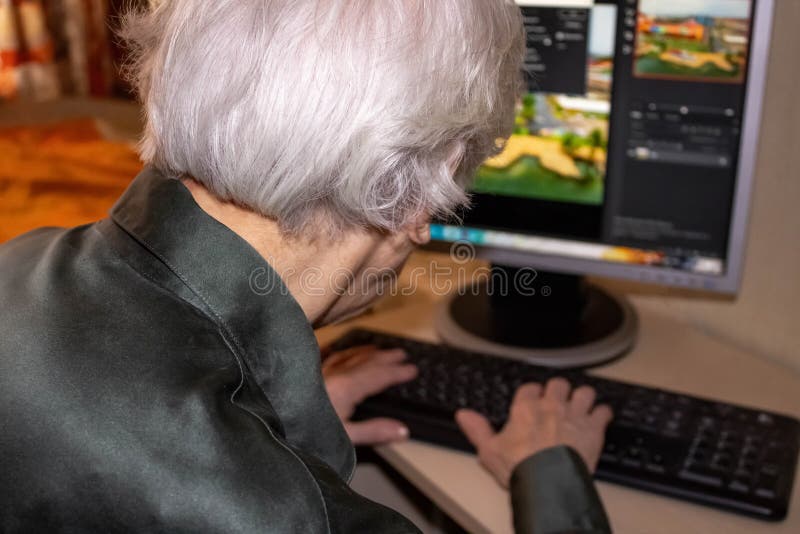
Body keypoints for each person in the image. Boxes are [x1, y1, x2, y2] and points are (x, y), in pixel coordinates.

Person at [0, 1, 613, 532]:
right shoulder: (291, 516)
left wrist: (279, 423)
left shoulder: (21, 261)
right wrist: (553, 484)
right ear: (430, 188)